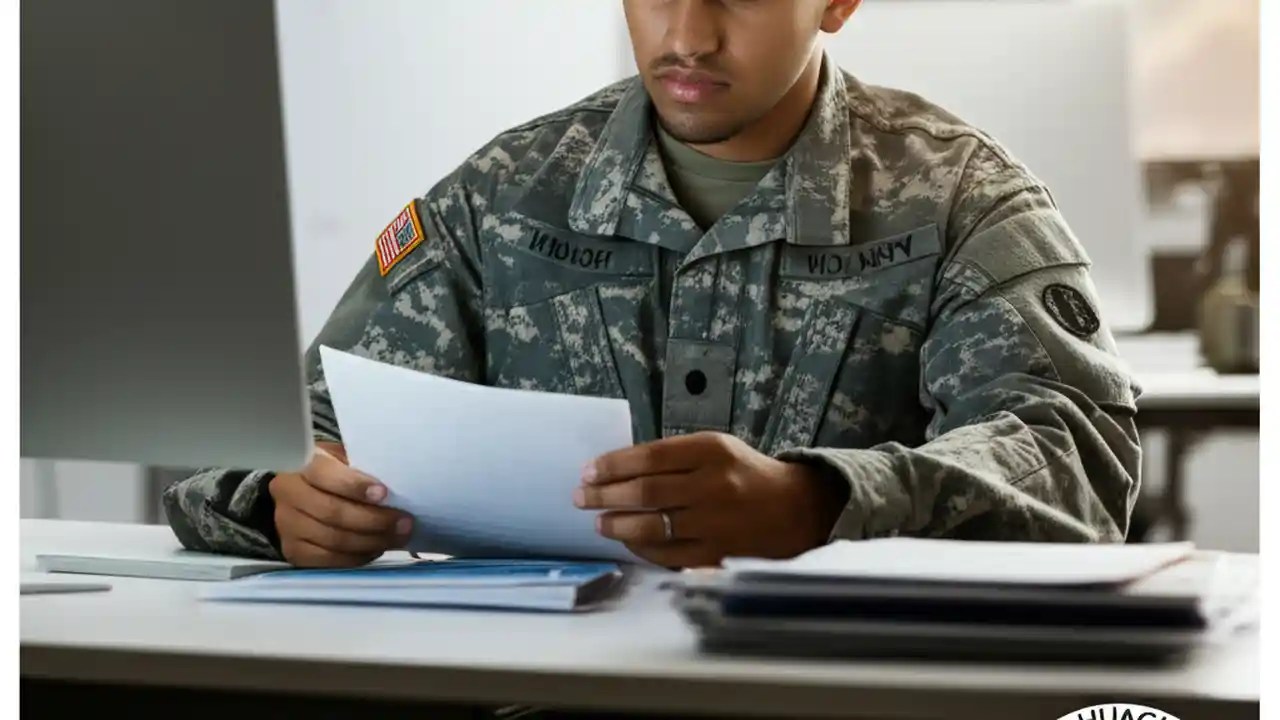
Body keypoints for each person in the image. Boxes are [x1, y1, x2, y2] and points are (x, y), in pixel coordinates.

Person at [164, 0, 1142, 569]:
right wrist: (281, 499)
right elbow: (262, 433)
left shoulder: (956, 195)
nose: (686, 33)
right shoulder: (506, 195)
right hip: (541, 697)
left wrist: (822, 503)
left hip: (838, 699)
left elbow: (1074, 460)